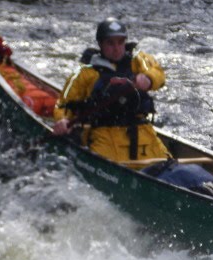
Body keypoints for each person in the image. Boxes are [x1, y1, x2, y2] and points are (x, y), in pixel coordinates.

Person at [52, 18, 172, 164]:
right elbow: (63, 105)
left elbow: (157, 72)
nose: (116, 48)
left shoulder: (138, 61)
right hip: (104, 136)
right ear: (100, 44)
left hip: (142, 134)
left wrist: (149, 78)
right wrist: (62, 120)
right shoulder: (84, 73)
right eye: (110, 43)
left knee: (167, 167)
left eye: (120, 42)